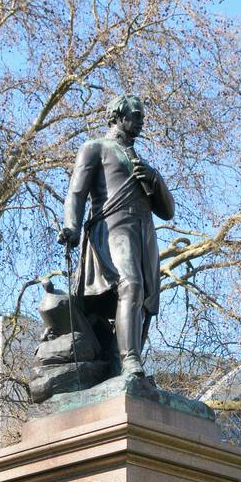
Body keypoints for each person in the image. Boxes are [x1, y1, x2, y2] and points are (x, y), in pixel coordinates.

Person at [58, 94, 174, 379]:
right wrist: (71, 226)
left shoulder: (143, 163)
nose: (141, 121)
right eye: (136, 115)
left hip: (144, 234)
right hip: (112, 228)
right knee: (130, 284)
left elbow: (168, 211)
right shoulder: (95, 148)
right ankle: (130, 360)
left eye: (142, 116)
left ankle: (120, 365)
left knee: (145, 300)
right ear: (117, 117)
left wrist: (154, 177)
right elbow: (76, 193)